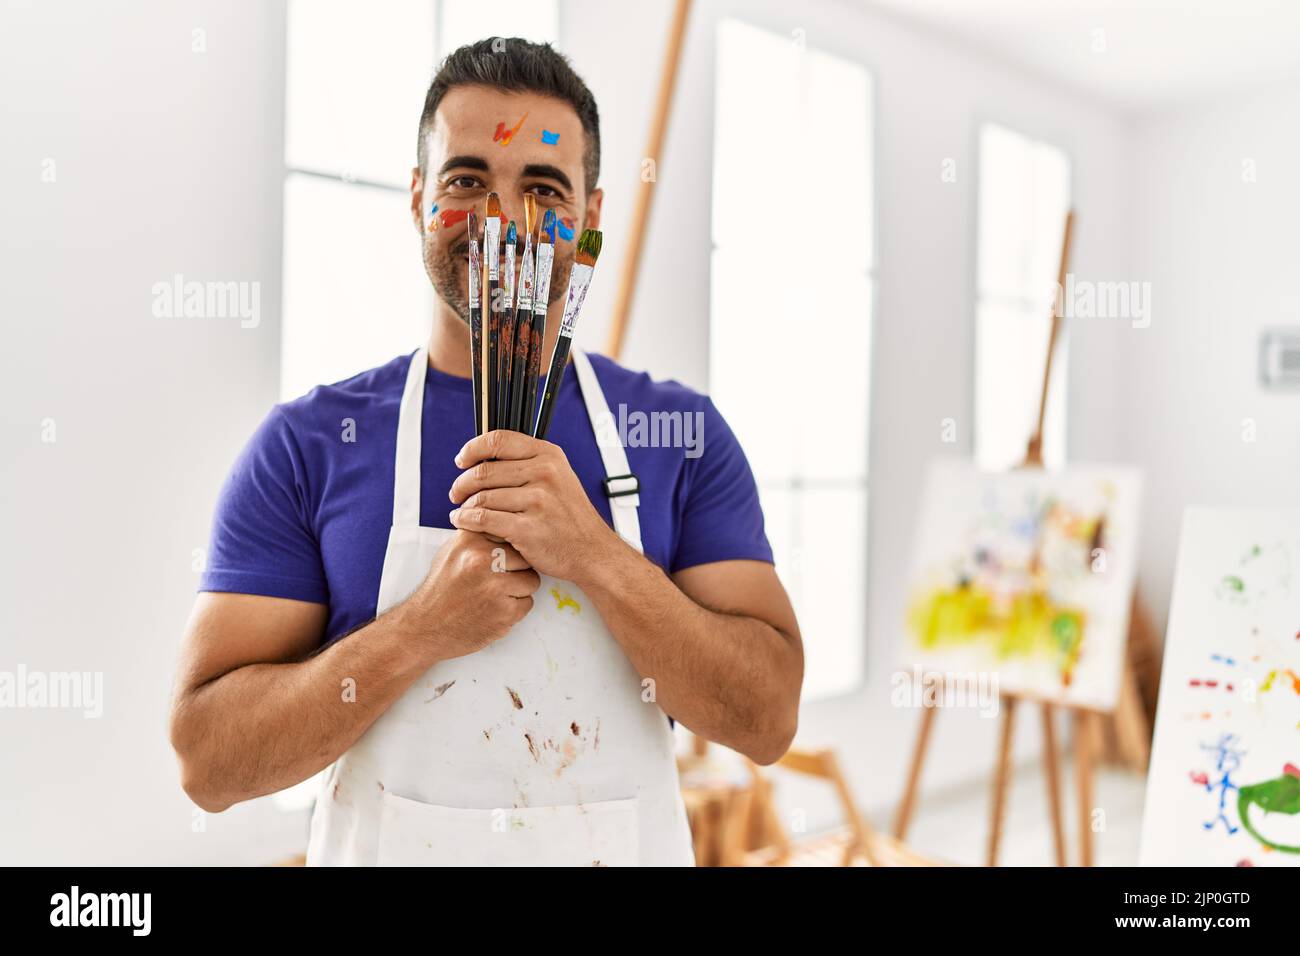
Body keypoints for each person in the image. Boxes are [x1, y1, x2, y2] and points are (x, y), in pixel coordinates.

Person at [169, 38, 802, 866]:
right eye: (467, 181)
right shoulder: (306, 445)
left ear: (592, 219)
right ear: (416, 198)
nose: (503, 219)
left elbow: (767, 722)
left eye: (542, 186)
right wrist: (417, 631)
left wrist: (594, 557)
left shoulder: (681, 435)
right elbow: (209, 765)